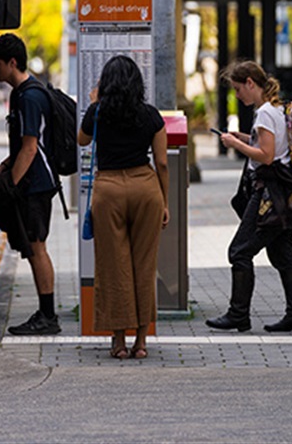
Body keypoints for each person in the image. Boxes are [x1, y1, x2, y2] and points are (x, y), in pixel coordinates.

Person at [207, 60, 292, 334]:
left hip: (269, 193)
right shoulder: (276, 108)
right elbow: (272, 145)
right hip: (285, 192)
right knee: (283, 253)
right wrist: (243, 136)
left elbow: (265, 155)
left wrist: (236, 144)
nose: (238, 96)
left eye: (239, 90)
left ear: (251, 83)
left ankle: (238, 314)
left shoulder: (264, 112)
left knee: (239, 251)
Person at [77, 55, 169, 360]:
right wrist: (165, 202)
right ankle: (141, 342)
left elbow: (80, 140)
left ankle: (118, 342)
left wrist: (94, 102)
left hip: (109, 191)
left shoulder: (98, 112)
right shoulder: (151, 115)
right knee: (144, 264)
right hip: (146, 188)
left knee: (113, 266)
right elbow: (163, 163)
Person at [0, 34, 61, 336]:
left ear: (12, 63)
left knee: (37, 247)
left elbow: (31, 148)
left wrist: (12, 186)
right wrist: (3, 168)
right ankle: (45, 313)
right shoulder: (20, 94)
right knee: (32, 247)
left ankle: (48, 315)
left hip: (36, 184)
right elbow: (21, 146)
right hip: (28, 181)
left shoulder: (31, 97)